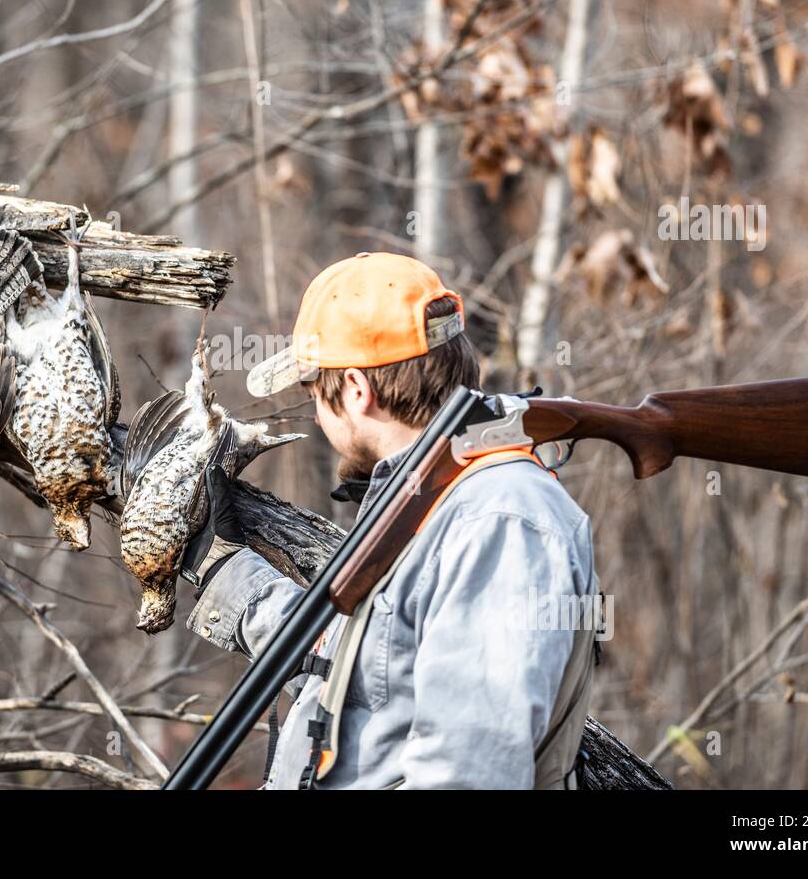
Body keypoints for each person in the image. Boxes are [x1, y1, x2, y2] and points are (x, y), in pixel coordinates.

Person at [178, 252, 599, 789]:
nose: (315, 414)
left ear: (356, 388)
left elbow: (468, 773)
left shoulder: (500, 519)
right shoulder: (433, 497)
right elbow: (369, 664)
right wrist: (225, 572)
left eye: (314, 393)